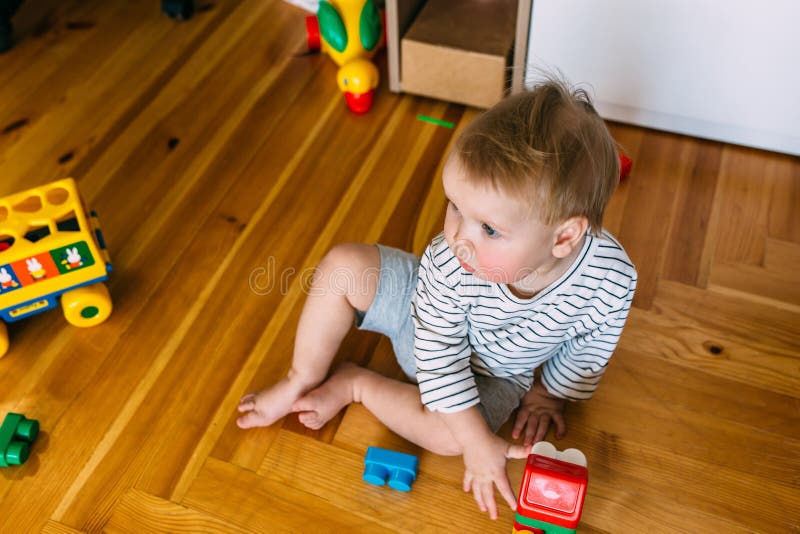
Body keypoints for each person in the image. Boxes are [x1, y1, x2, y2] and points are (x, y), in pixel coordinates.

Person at [237, 77, 637, 520]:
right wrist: (475, 441)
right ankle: (299, 377)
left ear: (564, 237)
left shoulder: (609, 280)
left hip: (498, 373)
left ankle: (357, 384)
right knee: (342, 266)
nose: (458, 237)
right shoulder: (450, 261)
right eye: (454, 207)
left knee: (451, 438)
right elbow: (437, 350)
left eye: (488, 229)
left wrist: (547, 395)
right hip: (426, 321)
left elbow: (589, 345)